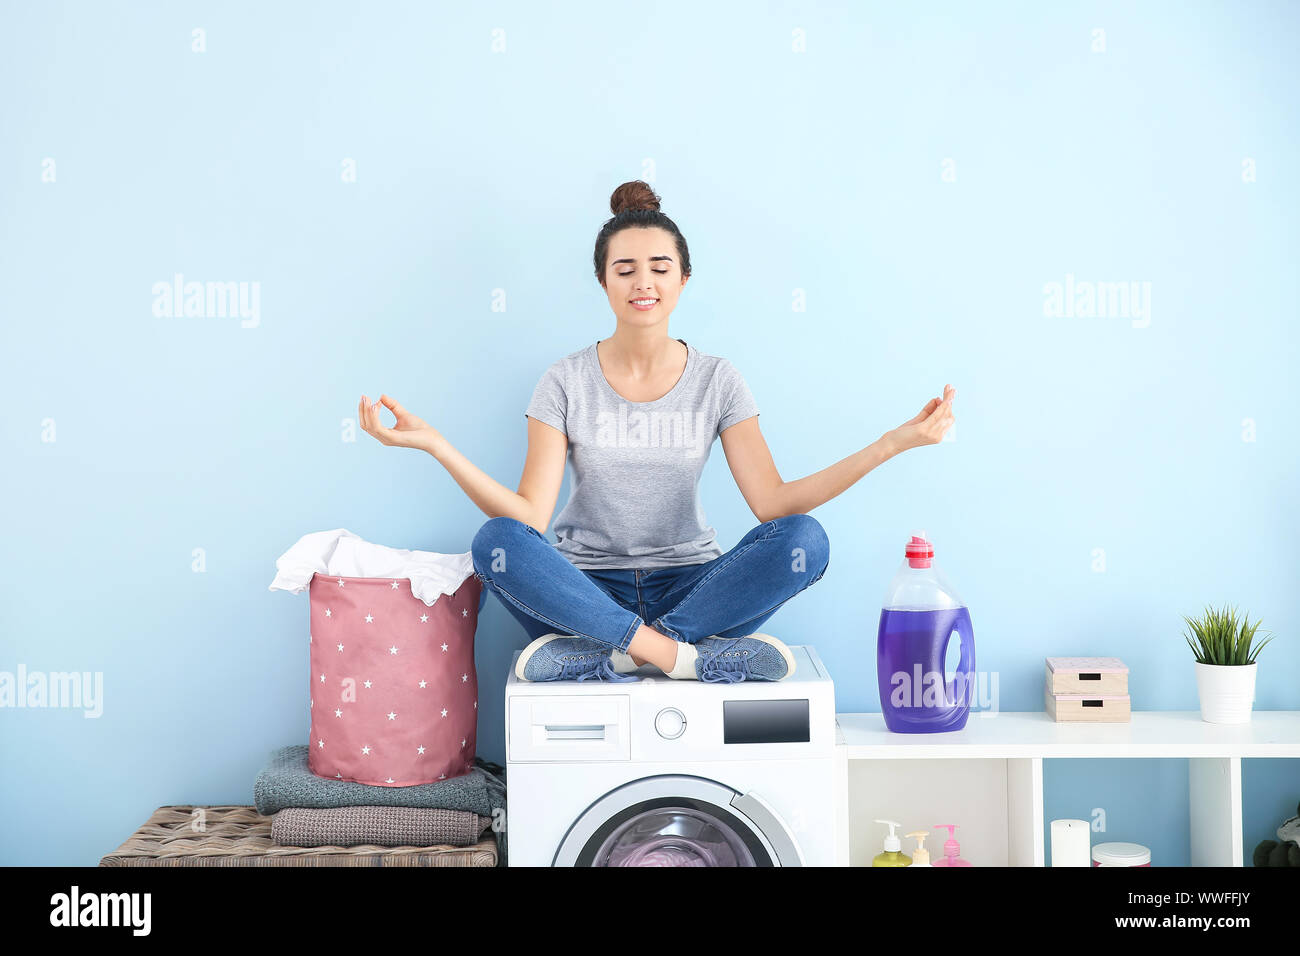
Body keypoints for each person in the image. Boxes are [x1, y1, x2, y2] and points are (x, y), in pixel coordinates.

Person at [359, 180, 955, 683]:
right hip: (583, 595)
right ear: (603, 282)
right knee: (498, 543)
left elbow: (775, 503)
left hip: (694, 590)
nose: (643, 282)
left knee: (806, 541)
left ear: (684, 279)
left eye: (659, 268)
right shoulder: (563, 381)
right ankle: (682, 659)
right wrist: (437, 446)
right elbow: (528, 520)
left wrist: (891, 444)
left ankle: (616, 656)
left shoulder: (719, 379)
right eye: (625, 269)